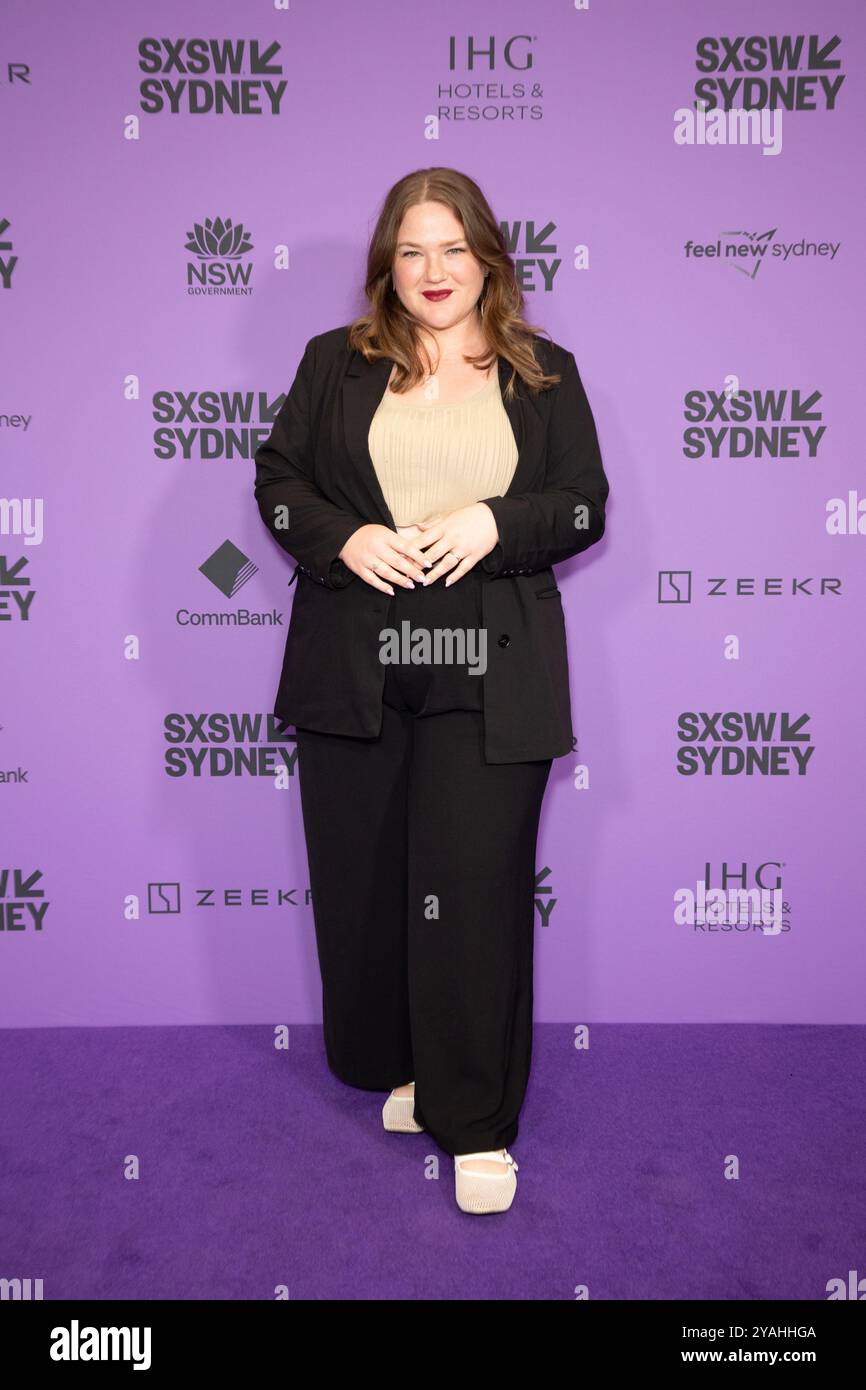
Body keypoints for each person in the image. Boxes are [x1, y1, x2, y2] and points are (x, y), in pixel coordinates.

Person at [253, 167, 609, 1214]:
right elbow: (278, 485)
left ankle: (478, 1124)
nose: (431, 271)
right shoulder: (334, 363)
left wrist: (497, 522)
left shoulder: (543, 371)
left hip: (489, 666)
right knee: (368, 885)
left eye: (451, 249)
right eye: (410, 252)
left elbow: (585, 507)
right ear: (386, 268)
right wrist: (344, 537)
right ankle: (403, 1067)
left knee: (471, 892)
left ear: (487, 258)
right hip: (353, 664)